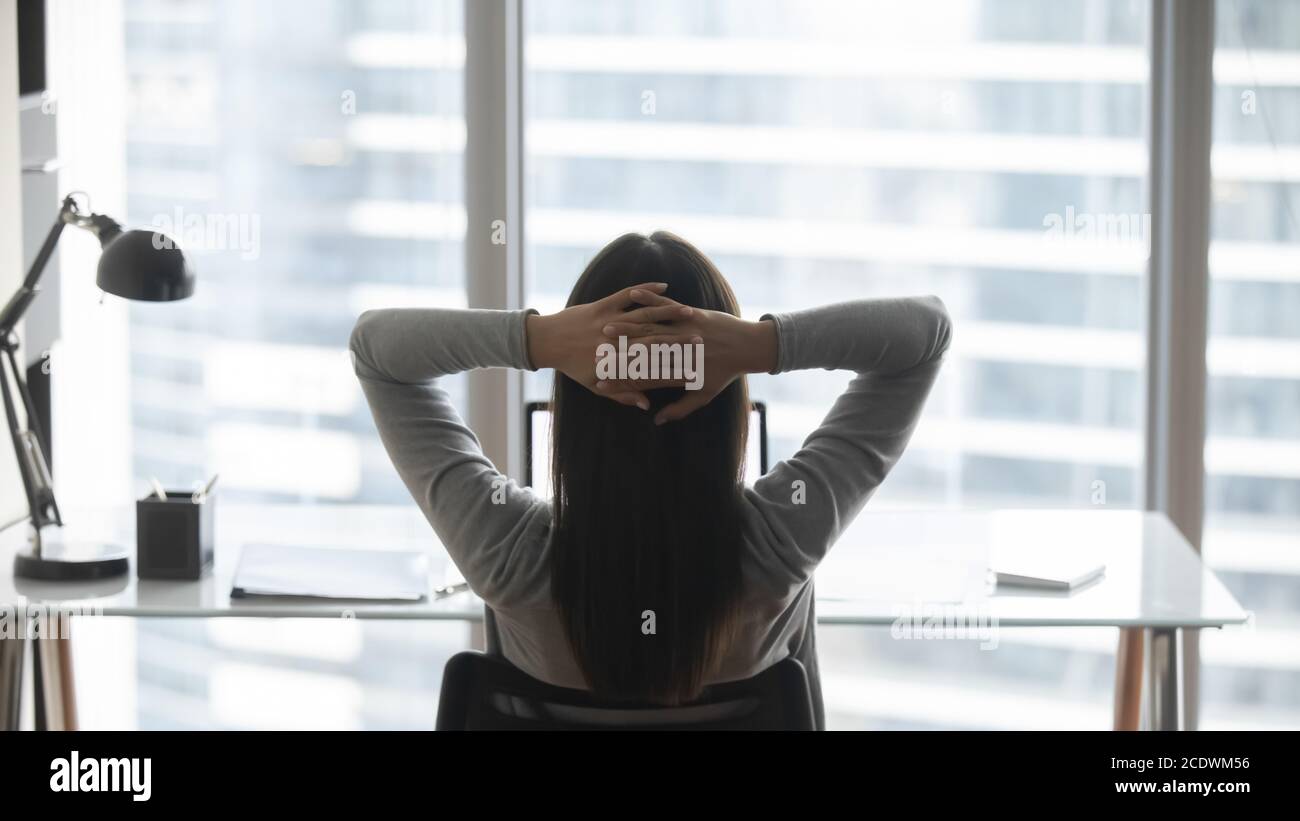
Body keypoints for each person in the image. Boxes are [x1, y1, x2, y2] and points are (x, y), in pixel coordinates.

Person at [349, 230, 951, 728]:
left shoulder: (507, 556)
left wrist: (539, 339)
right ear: (727, 402)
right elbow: (924, 337)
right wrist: (761, 345)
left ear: (573, 408)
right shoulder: (781, 544)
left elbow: (377, 352)